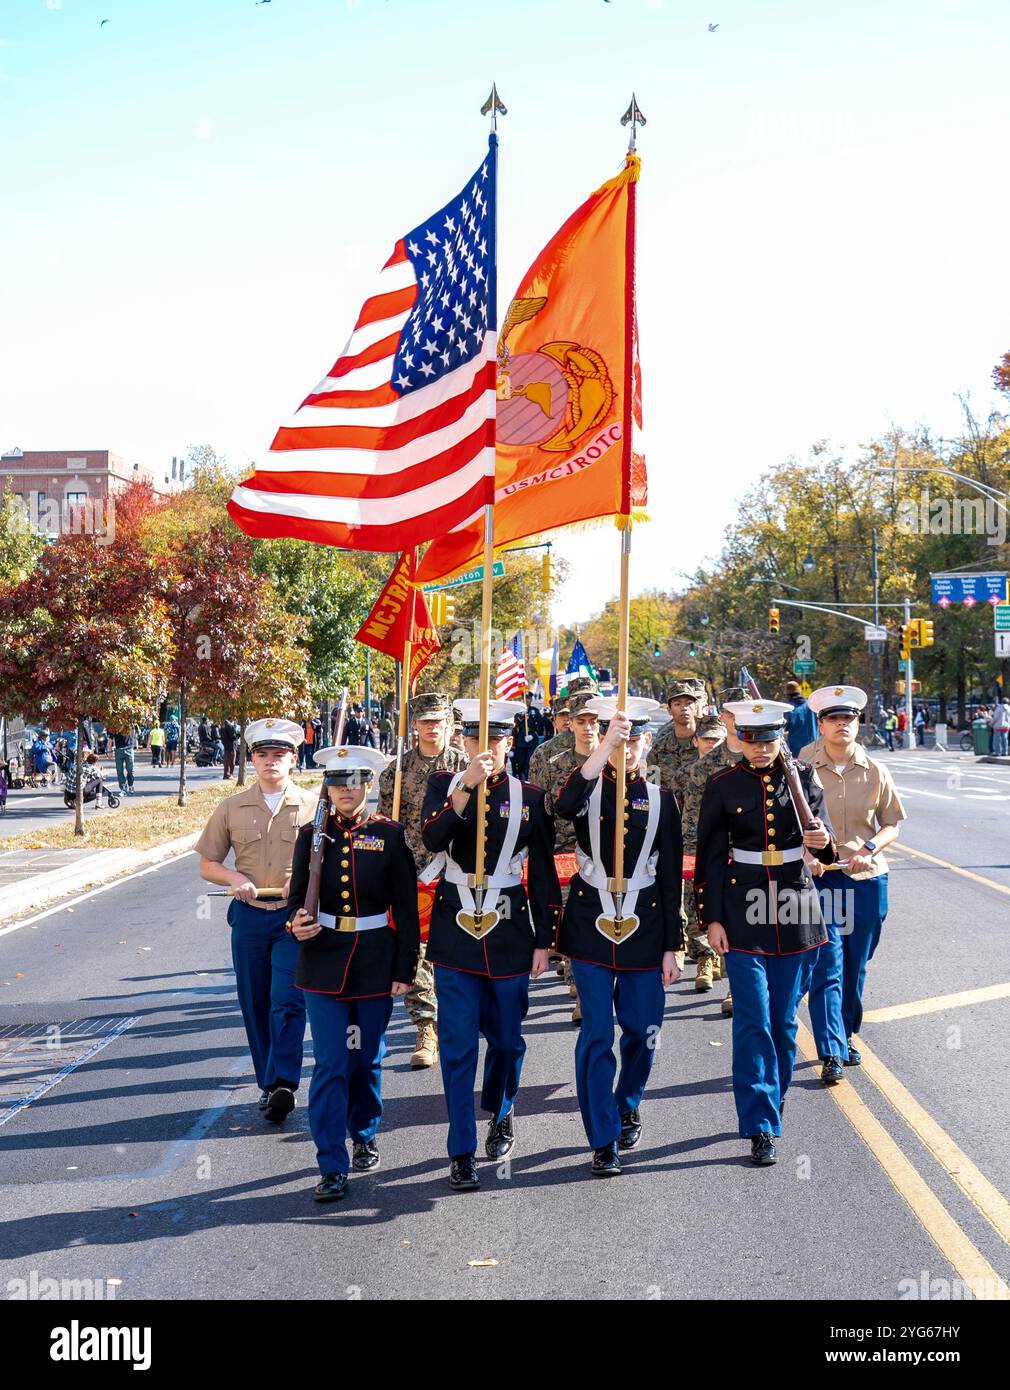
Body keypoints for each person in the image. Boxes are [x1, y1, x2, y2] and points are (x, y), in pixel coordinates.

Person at [420, 698, 561, 1191]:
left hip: (508, 928)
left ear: (510, 740)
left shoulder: (530, 795)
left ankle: (501, 1110)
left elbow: (542, 871)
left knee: (505, 1039)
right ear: (463, 742)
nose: (487, 748)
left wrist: (545, 940)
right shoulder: (444, 784)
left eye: (497, 739)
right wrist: (464, 790)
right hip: (454, 925)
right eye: (477, 738)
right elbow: (434, 839)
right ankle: (461, 1149)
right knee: (458, 1045)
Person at [695, 698, 836, 1166]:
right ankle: (759, 1123)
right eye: (751, 741)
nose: (759, 750)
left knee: (783, 1022)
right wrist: (710, 919)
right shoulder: (722, 784)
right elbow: (711, 858)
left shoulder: (803, 777)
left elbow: (828, 846)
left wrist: (823, 842)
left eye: (768, 740)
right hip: (741, 910)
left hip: (795, 906)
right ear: (741, 740)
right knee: (752, 1020)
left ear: (781, 738)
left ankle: (775, 1098)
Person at [555, 697, 683, 1177]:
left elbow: (672, 876)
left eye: (632, 741)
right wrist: (603, 745)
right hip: (590, 920)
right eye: (617, 741)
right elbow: (564, 805)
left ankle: (627, 1101)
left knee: (643, 1029)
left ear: (647, 743)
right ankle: (602, 1136)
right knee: (595, 1032)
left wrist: (674, 945)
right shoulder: (587, 785)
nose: (625, 749)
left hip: (645, 923)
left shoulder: (662, 798)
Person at [286, 745, 419, 1203]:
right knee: (329, 1063)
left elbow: (405, 908)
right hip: (322, 962)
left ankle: (364, 1131)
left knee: (366, 1059)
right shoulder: (311, 834)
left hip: (374, 962)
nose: (347, 790)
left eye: (356, 781)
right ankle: (330, 1163)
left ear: (369, 784)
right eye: (338, 782)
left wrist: (407, 968)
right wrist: (295, 922)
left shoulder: (389, 835)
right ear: (327, 786)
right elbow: (298, 896)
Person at [195, 719, 318, 1123]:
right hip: (248, 918)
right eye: (263, 755)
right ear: (252, 759)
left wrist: (297, 882)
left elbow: (330, 860)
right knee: (255, 1002)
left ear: (292, 759)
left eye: (279, 755)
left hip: (291, 919)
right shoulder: (231, 807)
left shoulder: (315, 806)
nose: (270, 762)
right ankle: (268, 1083)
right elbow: (207, 864)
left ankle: (283, 1082)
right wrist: (234, 877)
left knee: (286, 998)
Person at [800, 685, 907, 1083]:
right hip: (820, 881)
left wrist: (869, 847)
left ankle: (846, 1033)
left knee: (855, 965)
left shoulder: (875, 769)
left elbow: (892, 824)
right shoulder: (800, 767)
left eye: (848, 719)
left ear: (858, 724)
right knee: (828, 961)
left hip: (865, 879)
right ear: (821, 724)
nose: (842, 725)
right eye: (834, 719)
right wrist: (807, 855)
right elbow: (788, 820)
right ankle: (831, 1048)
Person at [377, 692, 467, 1069]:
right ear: (413, 724)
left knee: (460, 949)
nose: (432, 727)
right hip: (415, 871)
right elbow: (385, 827)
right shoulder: (395, 774)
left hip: (461, 871)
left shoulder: (468, 766)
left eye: (438, 720)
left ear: (449, 723)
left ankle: (460, 1020)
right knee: (418, 951)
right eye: (425, 721)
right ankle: (426, 1027)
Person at [674, 687, 749, 1017]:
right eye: (730, 713)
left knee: (742, 923)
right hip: (705, 854)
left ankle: (737, 986)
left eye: (741, 713)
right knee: (701, 912)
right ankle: (704, 959)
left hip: (747, 856)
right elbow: (685, 811)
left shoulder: (763, 759)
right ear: (722, 716)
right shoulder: (698, 770)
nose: (735, 720)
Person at [537, 690, 601, 1024]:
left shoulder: (617, 759)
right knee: (574, 924)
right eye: (581, 721)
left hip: (605, 859)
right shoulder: (550, 761)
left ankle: (595, 990)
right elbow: (538, 812)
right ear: (570, 723)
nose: (588, 727)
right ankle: (583, 993)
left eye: (594, 721)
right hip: (564, 856)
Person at [651, 677, 716, 989]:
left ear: (699, 705)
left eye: (689, 702)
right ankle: (675, 947)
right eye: (678, 702)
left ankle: (706, 957)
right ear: (670, 708)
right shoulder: (661, 743)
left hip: (713, 832)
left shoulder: (712, 734)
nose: (684, 708)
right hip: (673, 830)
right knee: (672, 894)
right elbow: (653, 787)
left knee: (700, 896)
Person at [783, 681, 818, 757]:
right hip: (814, 746)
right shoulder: (811, 705)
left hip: (796, 749)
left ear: (788, 694)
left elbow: (784, 728)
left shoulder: (789, 709)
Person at [112, 726, 137, 795]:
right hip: (118, 750)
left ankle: (130, 784)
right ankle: (123, 789)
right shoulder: (115, 725)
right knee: (119, 771)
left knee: (130, 770)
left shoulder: (130, 724)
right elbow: (110, 738)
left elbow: (135, 733)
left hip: (129, 749)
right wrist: (109, 750)